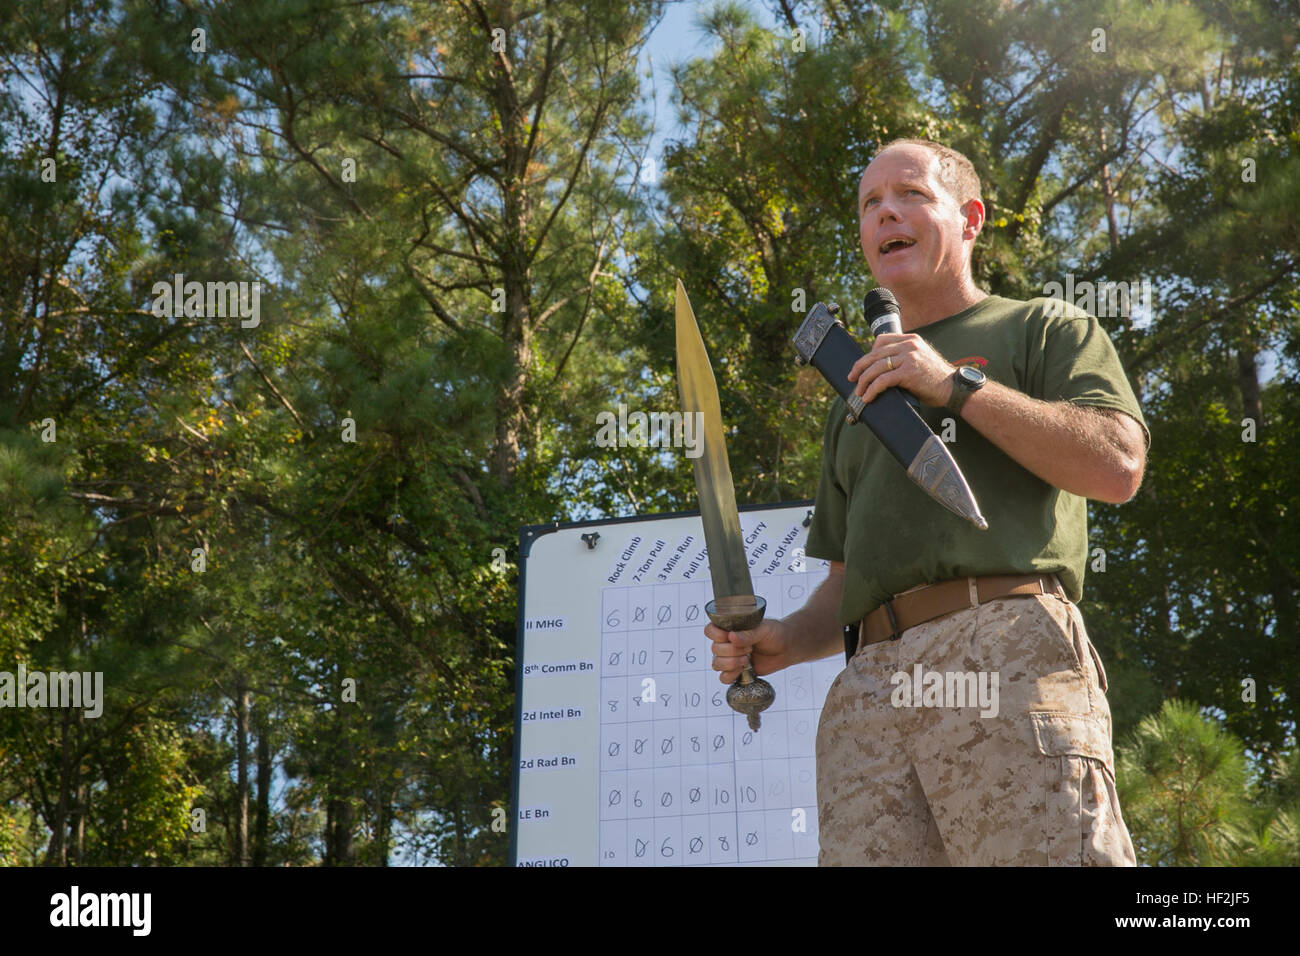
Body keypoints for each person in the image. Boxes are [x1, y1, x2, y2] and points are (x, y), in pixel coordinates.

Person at [705, 138, 1149, 866]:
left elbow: (1116, 464)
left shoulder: (1042, 328)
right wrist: (786, 640)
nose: (885, 214)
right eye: (869, 204)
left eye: (909, 194)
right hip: (869, 691)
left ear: (970, 218)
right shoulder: (850, 397)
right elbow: (847, 582)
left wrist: (954, 386)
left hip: (1001, 648)